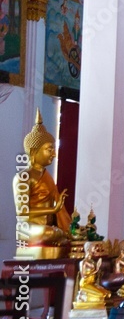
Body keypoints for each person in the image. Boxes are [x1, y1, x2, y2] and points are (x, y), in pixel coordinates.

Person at [14, 110, 70, 259]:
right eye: (49, 149)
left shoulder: (48, 177)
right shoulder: (23, 177)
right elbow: (22, 213)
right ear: (34, 151)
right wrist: (53, 209)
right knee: (51, 233)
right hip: (28, 229)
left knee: (63, 234)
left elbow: (60, 212)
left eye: (54, 149)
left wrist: (69, 227)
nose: (53, 154)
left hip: (47, 228)